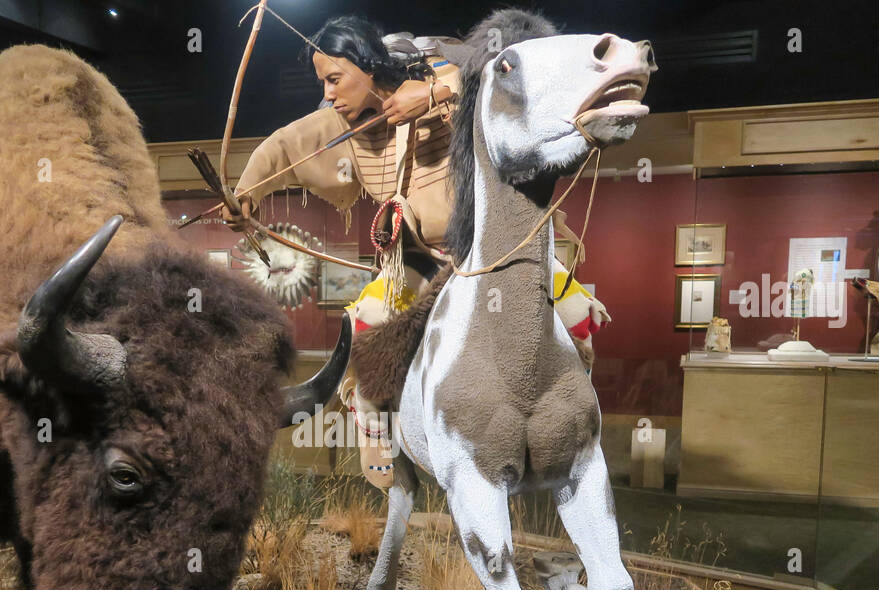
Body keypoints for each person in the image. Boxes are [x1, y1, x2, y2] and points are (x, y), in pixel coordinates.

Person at [225, 16, 611, 488]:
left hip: (496, 245)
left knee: (578, 314)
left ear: (367, 65)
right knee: (365, 327)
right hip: (417, 256)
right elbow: (285, 146)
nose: (328, 93)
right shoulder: (336, 121)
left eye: (334, 78)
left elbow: (489, 72)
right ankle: (375, 429)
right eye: (322, 82)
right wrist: (246, 192)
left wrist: (430, 95)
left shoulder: (432, 78)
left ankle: (568, 418)